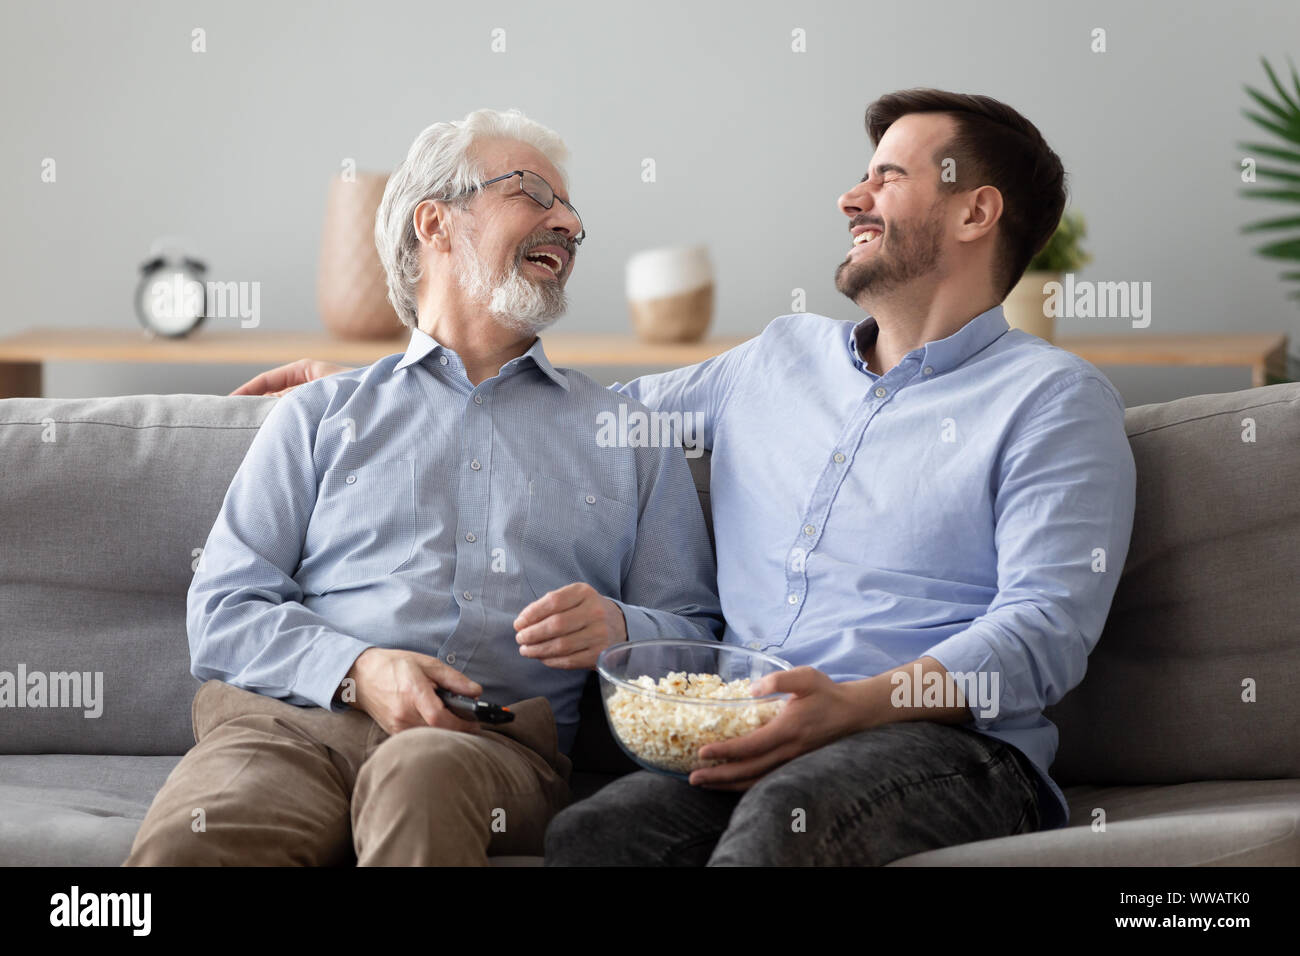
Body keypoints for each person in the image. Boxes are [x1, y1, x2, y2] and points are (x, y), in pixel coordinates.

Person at [233, 89, 1137, 866]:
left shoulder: (1053, 401)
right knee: (595, 838)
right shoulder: (774, 362)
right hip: (745, 739)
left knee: (788, 829)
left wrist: (854, 707)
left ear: (976, 212)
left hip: (947, 747)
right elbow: (575, 413)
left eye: (888, 177)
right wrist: (388, 388)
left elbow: (1046, 631)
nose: (851, 195)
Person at [125, 108, 722, 867]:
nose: (568, 223)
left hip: (485, 744)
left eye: (572, 212)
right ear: (435, 223)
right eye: (534, 194)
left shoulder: (632, 436)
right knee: (193, 844)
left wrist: (623, 629)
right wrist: (358, 668)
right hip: (288, 725)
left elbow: (700, 643)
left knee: (422, 775)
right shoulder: (319, 415)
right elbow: (221, 611)